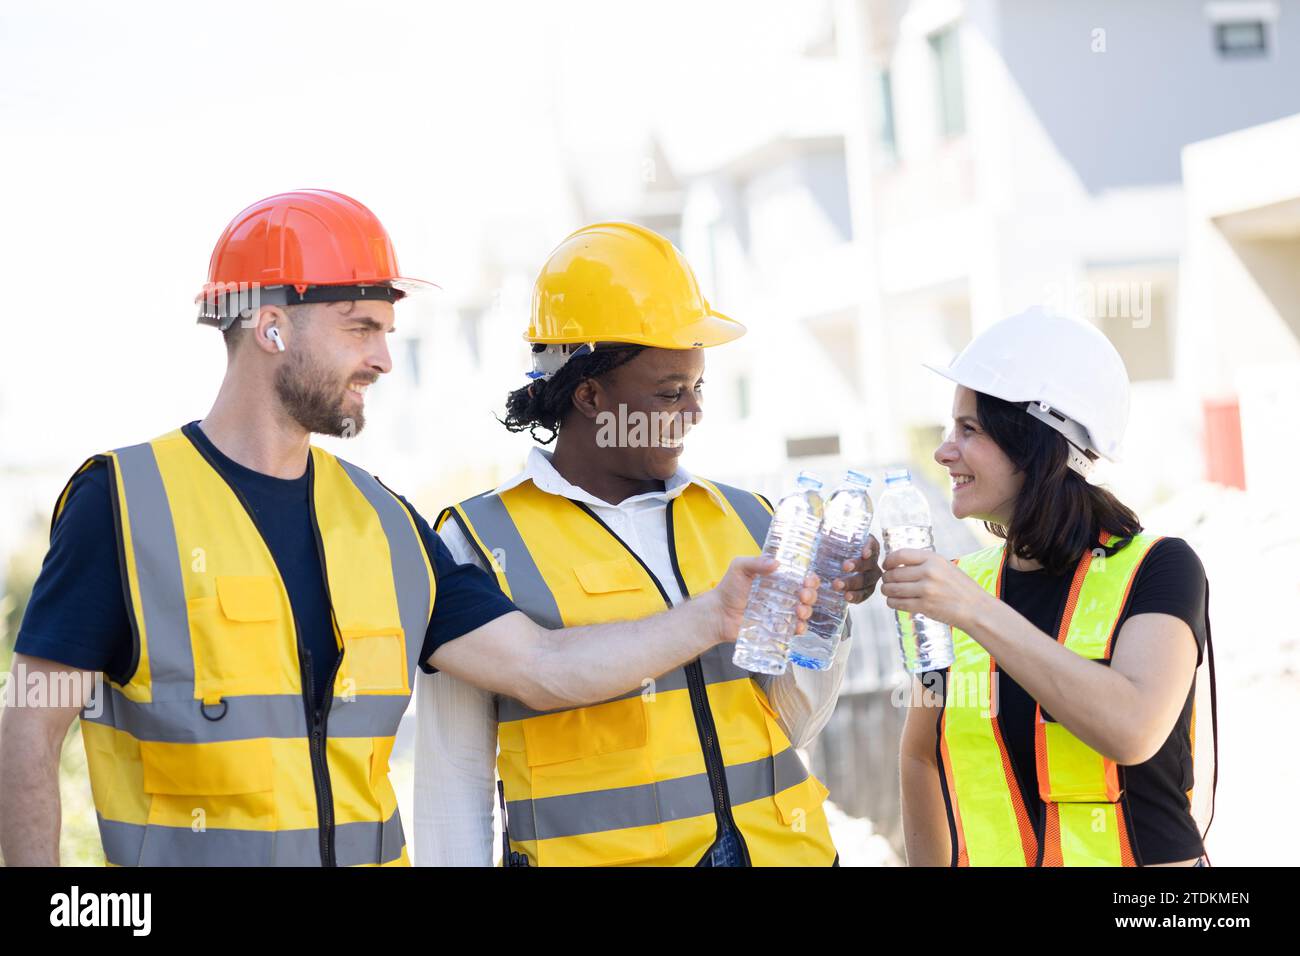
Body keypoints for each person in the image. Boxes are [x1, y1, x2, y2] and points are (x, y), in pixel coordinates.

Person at [0, 194, 816, 867]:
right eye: (361, 327)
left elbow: (540, 666)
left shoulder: (386, 524)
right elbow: (30, 730)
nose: (385, 359)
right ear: (272, 325)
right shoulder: (126, 503)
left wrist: (713, 615)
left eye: (387, 331)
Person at [414, 222, 883, 867]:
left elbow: (793, 721)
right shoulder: (477, 542)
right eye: (669, 392)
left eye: (697, 387)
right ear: (590, 395)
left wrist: (828, 611)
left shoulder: (747, 517)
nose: (693, 412)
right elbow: (454, 774)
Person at [890, 309, 1217, 868]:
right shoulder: (960, 586)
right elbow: (921, 756)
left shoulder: (1161, 568)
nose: (945, 451)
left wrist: (975, 612)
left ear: (1035, 446)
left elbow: (1132, 728)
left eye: (969, 430)